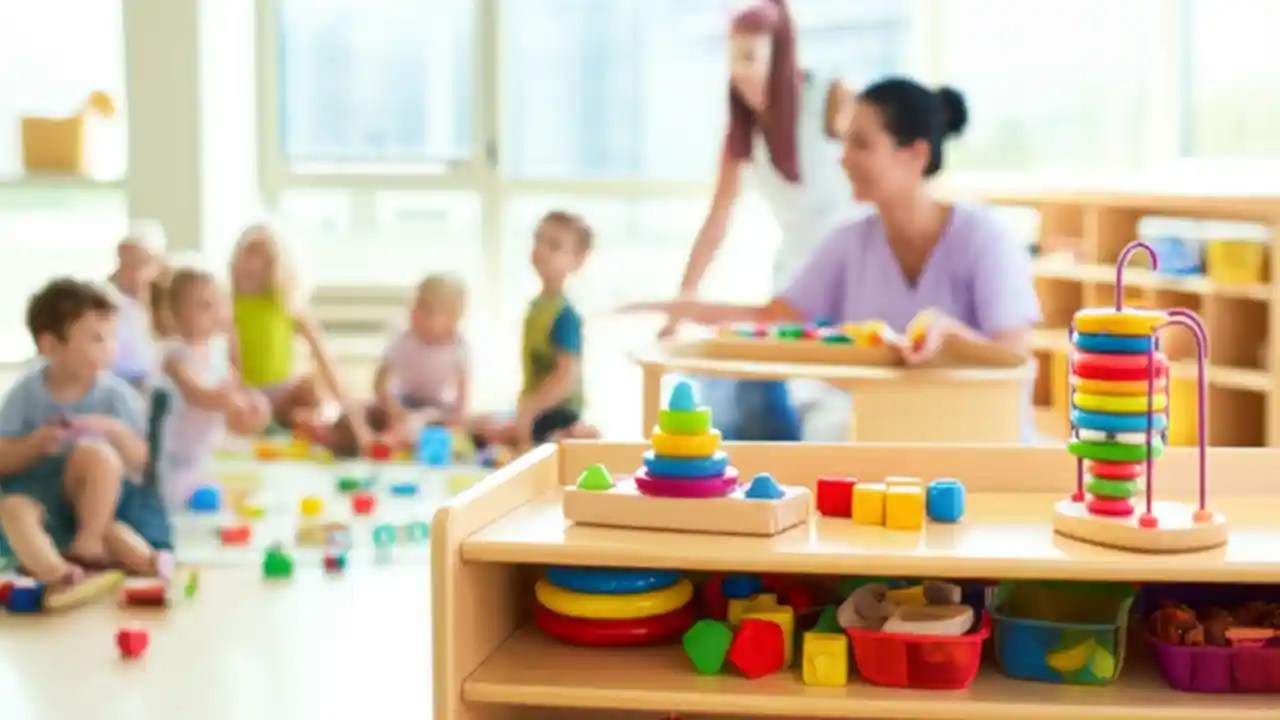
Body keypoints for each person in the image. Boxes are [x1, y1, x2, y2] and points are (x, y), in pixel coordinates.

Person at [628, 78, 1042, 441]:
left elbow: (1015, 363)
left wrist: (948, 333)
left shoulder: (984, 239)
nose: (842, 158)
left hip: (979, 439)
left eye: (861, 143)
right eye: (843, 141)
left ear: (914, 155)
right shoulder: (849, 242)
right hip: (884, 439)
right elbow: (774, 321)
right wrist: (675, 309)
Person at [663, 0, 859, 441]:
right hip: (793, 278)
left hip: (849, 275)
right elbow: (716, 223)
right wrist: (683, 303)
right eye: (733, 57)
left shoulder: (827, 97)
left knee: (831, 401)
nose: (740, 71)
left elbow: (875, 169)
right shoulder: (742, 132)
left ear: (779, 54)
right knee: (736, 385)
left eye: (750, 56)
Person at [0, 279, 167, 597]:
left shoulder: (117, 397)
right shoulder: (25, 395)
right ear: (50, 345)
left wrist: (112, 430)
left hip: (92, 511)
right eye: (96, 339)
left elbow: (141, 460)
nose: (110, 348)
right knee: (12, 509)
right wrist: (34, 444)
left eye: (111, 338)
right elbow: (3, 457)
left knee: (98, 461)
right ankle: (57, 572)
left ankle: (135, 559)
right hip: (39, 499)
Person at [228, 223, 371, 449]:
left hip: (281, 392)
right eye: (249, 253)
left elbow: (321, 355)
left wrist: (347, 403)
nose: (254, 263)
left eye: (264, 258)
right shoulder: (226, 304)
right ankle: (268, 427)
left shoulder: (286, 303)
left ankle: (315, 430)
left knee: (309, 388)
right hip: (246, 393)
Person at [477, 211, 600, 449]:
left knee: (545, 444)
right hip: (534, 410)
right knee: (481, 426)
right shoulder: (536, 307)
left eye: (553, 246)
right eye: (538, 240)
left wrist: (529, 410)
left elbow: (566, 377)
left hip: (557, 413)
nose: (541, 250)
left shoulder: (565, 315)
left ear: (577, 260)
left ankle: (574, 437)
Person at [154, 267, 270, 509]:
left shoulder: (218, 349)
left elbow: (234, 390)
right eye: (204, 306)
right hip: (174, 455)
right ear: (176, 315)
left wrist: (251, 407)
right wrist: (230, 400)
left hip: (206, 450)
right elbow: (197, 395)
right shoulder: (175, 354)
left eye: (219, 304)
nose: (215, 312)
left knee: (250, 478)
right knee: (187, 493)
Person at [328, 273, 471, 457]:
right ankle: (367, 438)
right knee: (356, 412)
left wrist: (454, 420)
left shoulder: (458, 348)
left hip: (434, 408)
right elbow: (380, 383)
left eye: (428, 309)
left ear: (452, 318)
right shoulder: (403, 340)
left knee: (428, 423)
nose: (416, 313)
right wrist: (394, 409)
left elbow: (462, 401)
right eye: (415, 306)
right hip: (400, 401)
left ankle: (391, 441)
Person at [108, 220, 166, 389]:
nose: (133, 273)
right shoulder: (107, 304)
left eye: (141, 263)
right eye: (125, 264)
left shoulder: (170, 304)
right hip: (120, 381)